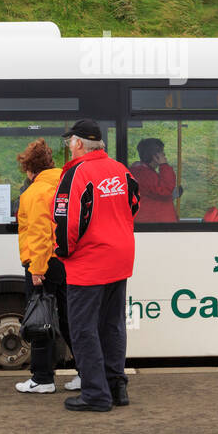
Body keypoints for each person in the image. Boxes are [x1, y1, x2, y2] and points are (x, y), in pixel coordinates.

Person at [52, 119, 139, 412]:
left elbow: (65, 222)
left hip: (88, 263)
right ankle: (117, 388)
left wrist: (62, 253)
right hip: (120, 258)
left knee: (83, 329)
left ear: (78, 143)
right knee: (112, 324)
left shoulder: (76, 174)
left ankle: (94, 394)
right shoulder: (120, 170)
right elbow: (134, 204)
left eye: (69, 142)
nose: (68, 148)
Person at [12, 139, 78, 394]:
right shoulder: (64, 186)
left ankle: (42, 378)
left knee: (40, 318)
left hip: (43, 263)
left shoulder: (35, 192)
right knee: (68, 318)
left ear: (30, 170)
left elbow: (39, 234)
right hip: (64, 261)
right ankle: (85, 372)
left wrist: (37, 269)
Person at [129, 138, 178, 222]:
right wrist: (164, 165)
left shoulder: (144, 173)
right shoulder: (142, 174)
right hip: (154, 225)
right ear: (155, 156)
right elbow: (165, 190)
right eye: (162, 153)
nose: (164, 156)